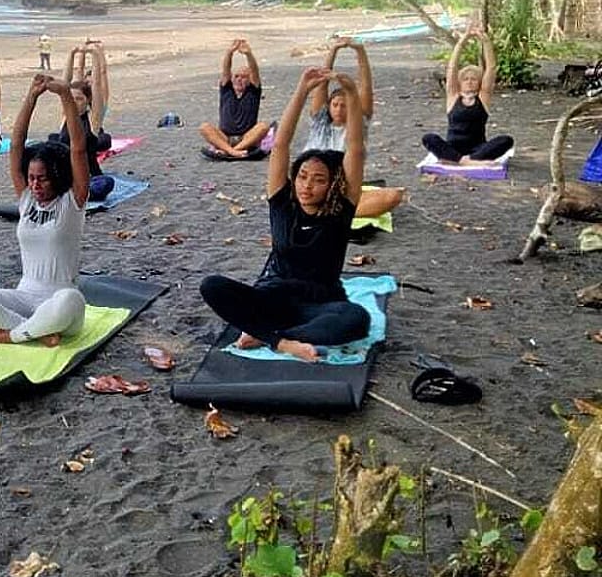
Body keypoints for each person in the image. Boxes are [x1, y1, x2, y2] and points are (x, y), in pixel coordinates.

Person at [199, 67, 371, 362]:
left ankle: (269, 334)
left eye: (318, 180)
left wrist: (353, 95)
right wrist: (302, 90)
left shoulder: (340, 211)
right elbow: (280, 144)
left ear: (332, 186)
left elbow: (355, 150)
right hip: (273, 296)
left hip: (321, 303)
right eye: (303, 177)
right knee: (212, 286)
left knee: (356, 318)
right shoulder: (283, 203)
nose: (307, 186)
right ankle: (281, 341)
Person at [0, 73, 89, 347]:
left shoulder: (71, 203)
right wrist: (31, 96)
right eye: (31, 178)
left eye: (43, 178)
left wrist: (65, 96)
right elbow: (15, 145)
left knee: (70, 300)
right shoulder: (26, 200)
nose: (35, 184)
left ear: (59, 178)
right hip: (23, 299)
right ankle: (32, 331)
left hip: (59, 303)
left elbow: (78, 150)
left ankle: (9, 336)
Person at [307, 38, 405, 218]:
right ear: (328, 106)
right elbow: (322, 84)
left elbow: (365, 85)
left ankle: (330, 211)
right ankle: (329, 211)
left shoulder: (358, 125)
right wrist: (334, 50)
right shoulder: (320, 123)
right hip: (312, 184)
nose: (338, 109)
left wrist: (360, 51)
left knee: (394, 195)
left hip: (341, 189)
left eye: (344, 105)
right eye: (335, 104)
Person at [421, 25, 515, 166]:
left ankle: (462, 161)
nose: (469, 82)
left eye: (473, 79)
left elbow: (491, 68)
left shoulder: (483, 98)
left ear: (479, 82)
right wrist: (463, 39)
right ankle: (466, 161)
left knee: (507, 140)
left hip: (477, 149)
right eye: (466, 79)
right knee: (428, 138)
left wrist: (485, 41)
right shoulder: (453, 96)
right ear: (460, 82)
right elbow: (452, 68)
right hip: (453, 148)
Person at [49, 47, 114, 201]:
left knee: (106, 183)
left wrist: (96, 55)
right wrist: (71, 54)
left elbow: (97, 84)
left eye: (79, 99)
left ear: (87, 101)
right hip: (66, 175)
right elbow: (63, 84)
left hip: (88, 177)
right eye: (72, 99)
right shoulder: (66, 116)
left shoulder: (93, 120)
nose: (74, 103)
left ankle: (75, 193)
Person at [198, 39, 271, 158]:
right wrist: (229, 53)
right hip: (225, 137)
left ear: (249, 80)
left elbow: (254, 71)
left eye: (243, 77)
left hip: (246, 137)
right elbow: (226, 70)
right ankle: (232, 151)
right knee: (204, 127)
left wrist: (248, 54)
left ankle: (232, 151)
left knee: (264, 126)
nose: (239, 79)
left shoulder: (253, 91)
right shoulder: (226, 90)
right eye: (236, 76)